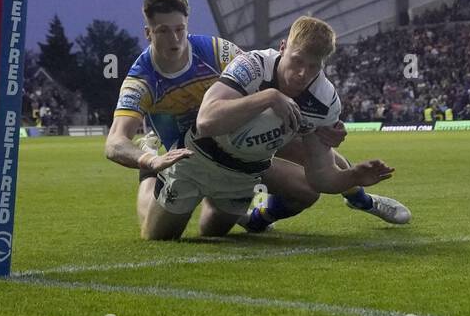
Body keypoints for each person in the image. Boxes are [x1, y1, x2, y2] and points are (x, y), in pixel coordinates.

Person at [142, 16, 394, 240]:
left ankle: (217, 199)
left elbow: (320, 175)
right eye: (297, 61)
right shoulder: (251, 65)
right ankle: (148, 172)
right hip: (197, 158)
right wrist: (269, 97)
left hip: (243, 173)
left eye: (313, 66)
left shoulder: (325, 100)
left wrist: (352, 177)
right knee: (159, 236)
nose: (302, 74)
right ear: (283, 47)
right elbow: (206, 121)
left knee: (213, 234)